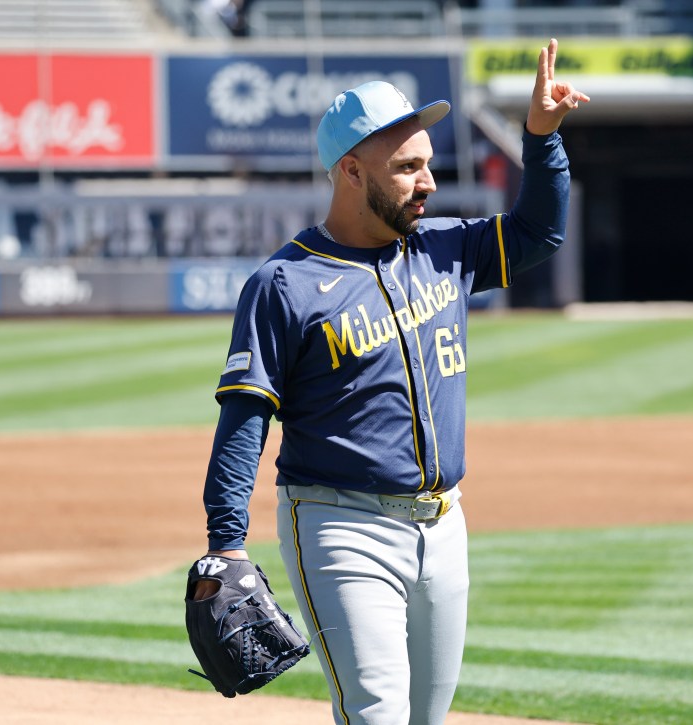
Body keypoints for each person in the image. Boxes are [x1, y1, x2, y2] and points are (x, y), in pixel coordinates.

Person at [193, 39, 588, 725]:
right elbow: (244, 419)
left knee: (426, 717)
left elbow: (540, 233)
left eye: (427, 163)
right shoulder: (285, 283)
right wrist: (225, 543)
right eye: (407, 168)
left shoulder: (445, 250)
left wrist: (542, 137)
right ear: (351, 171)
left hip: (444, 523)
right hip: (339, 525)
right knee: (376, 712)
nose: (427, 182)